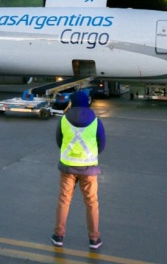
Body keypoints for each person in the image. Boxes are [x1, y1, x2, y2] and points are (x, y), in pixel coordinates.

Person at [52, 90, 106, 250]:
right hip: (89, 169)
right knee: (91, 203)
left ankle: (58, 236)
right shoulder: (96, 121)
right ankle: (94, 239)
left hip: (68, 168)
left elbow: (59, 140)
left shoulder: (63, 120)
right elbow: (102, 144)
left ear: (73, 103)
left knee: (64, 201)